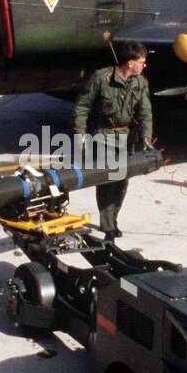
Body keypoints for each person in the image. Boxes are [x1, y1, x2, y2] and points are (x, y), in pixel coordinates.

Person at [71, 41, 153, 239]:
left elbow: (145, 113)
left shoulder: (140, 83)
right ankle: (107, 226)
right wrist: (80, 135)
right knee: (107, 181)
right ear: (130, 63)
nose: (144, 65)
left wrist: (146, 138)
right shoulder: (101, 78)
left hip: (126, 138)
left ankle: (113, 219)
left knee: (122, 182)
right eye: (142, 62)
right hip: (103, 136)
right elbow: (81, 108)